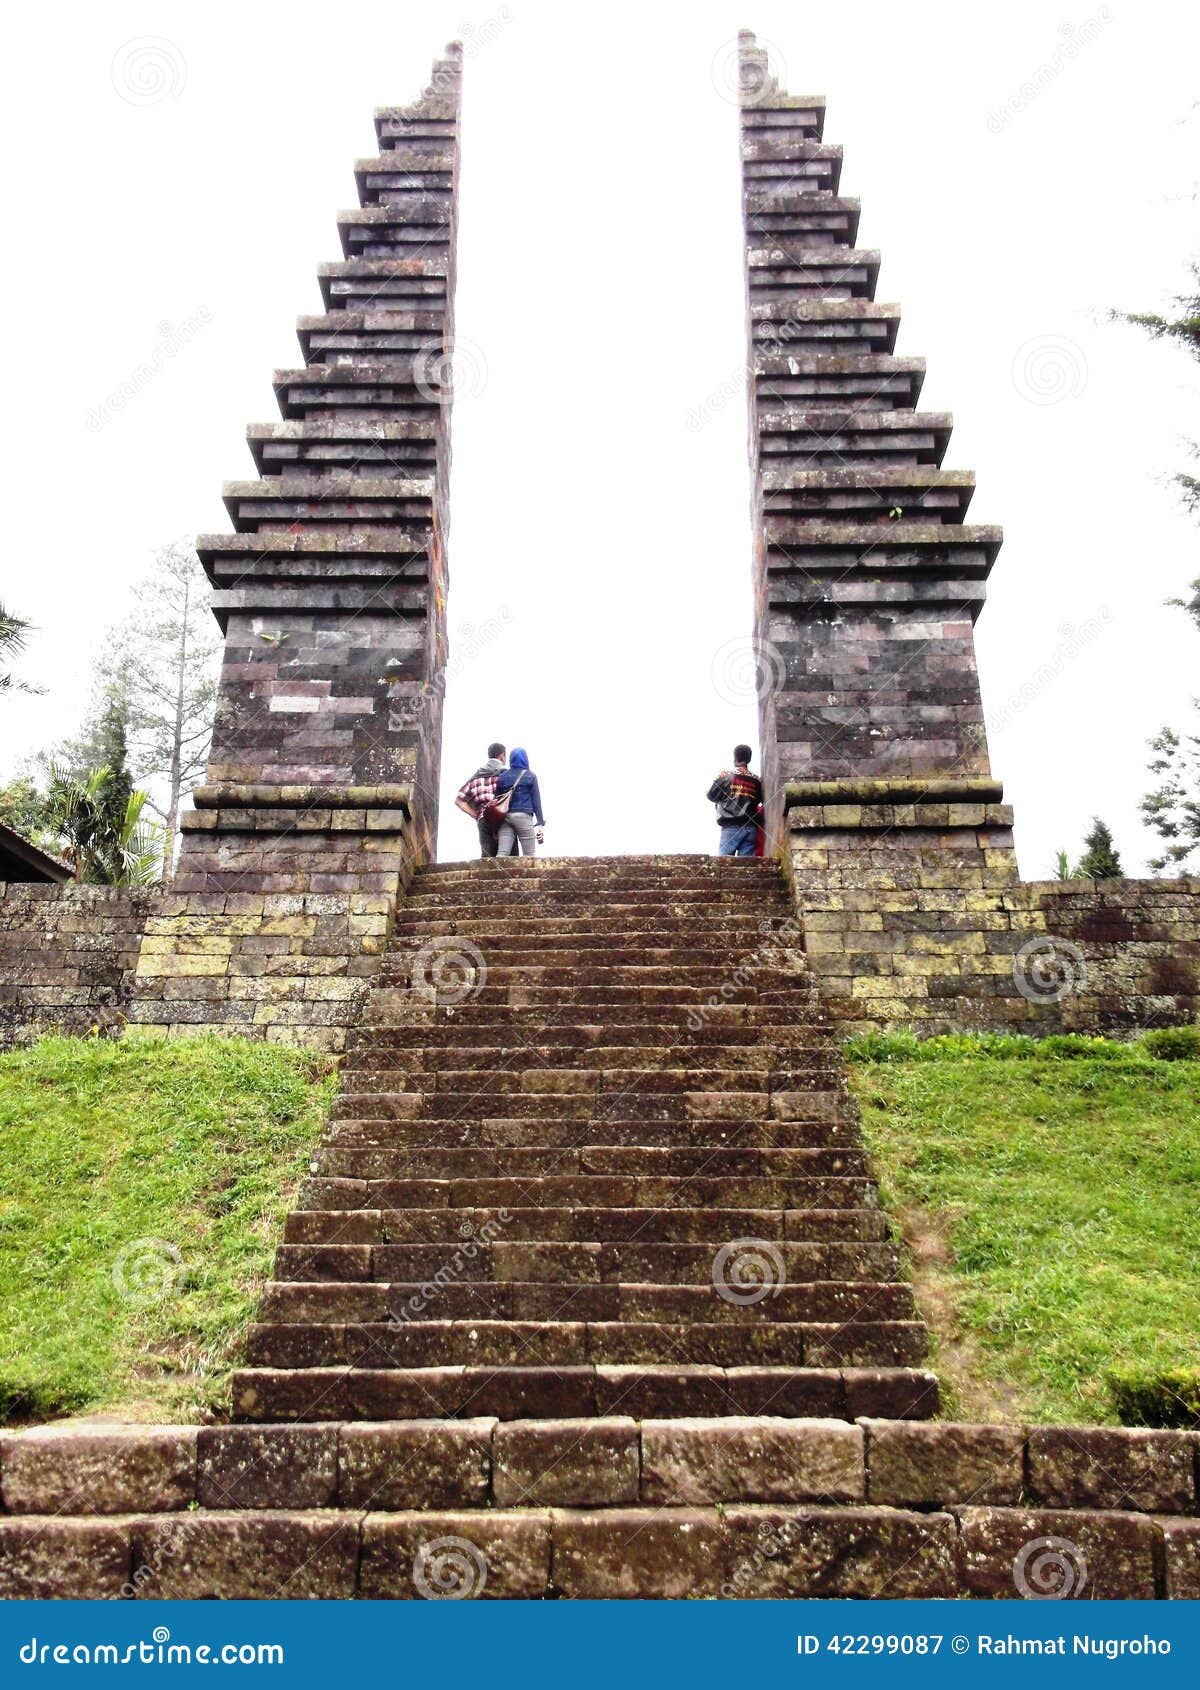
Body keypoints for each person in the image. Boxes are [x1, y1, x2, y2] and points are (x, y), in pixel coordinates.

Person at [454, 742, 510, 858]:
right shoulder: (505, 775)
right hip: (502, 817)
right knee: (509, 855)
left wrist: (476, 815)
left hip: (483, 818)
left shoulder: (476, 776)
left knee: (487, 855)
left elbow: (459, 800)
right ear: (502, 756)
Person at [706, 744, 764, 857]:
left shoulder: (726, 776)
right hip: (751, 828)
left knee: (723, 863)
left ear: (735, 758)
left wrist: (717, 780)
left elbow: (711, 795)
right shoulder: (757, 781)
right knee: (747, 864)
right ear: (749, 759)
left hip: (731, 826)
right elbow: (760, 799)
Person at [494, 747, 546, 857]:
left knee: (502, 853)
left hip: (505, 817)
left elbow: (496, 799)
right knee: (529, 854)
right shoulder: (530, 776)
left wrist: (495, 826)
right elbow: (536, 801)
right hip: (523, 816)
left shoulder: (502, 777)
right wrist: (540, 824)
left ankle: (495, 874)